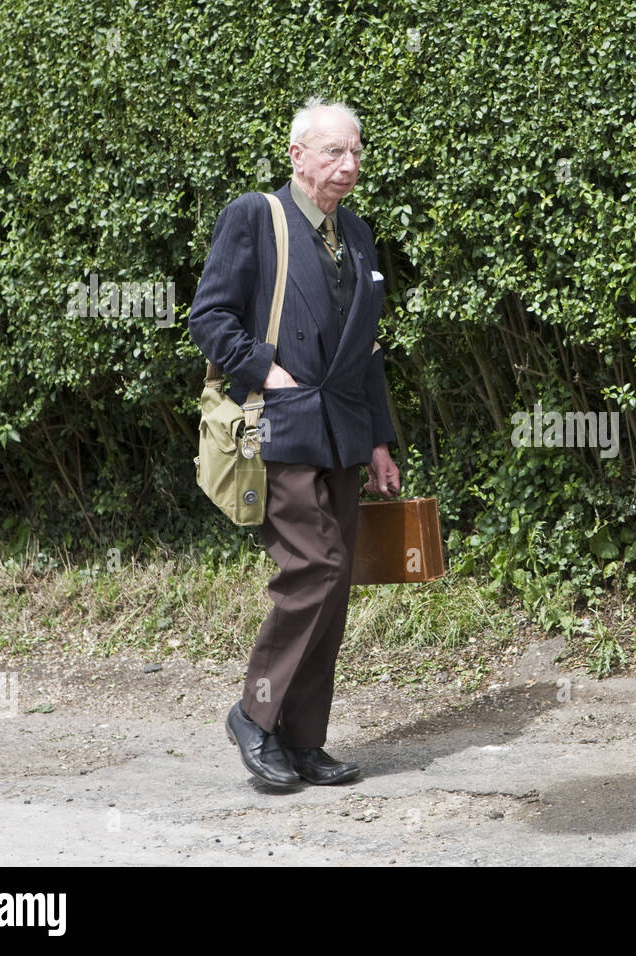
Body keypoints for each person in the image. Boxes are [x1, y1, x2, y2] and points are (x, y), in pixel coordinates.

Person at [188, 97, 400, 786]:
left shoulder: (359, 234)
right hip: (278, 427)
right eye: (335, 152)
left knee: (333, 583)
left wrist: (379, 442)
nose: (349, 165)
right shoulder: (256, 216)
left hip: (341, 432)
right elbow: (209, 317)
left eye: (357, 152)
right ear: (297, 156)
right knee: (315, 569)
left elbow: (365, 352)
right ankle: (254, 716)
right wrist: (264, 370)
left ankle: (302, 740)